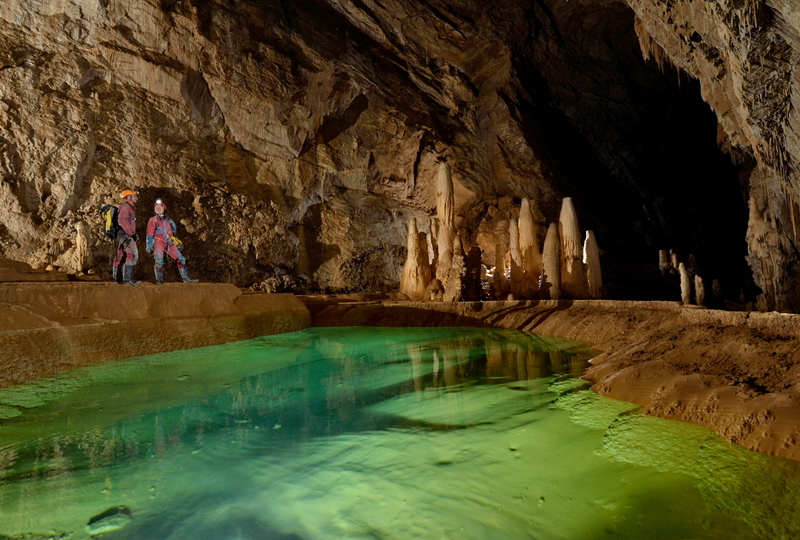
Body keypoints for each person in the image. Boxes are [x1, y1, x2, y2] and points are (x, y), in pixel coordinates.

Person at [145, 199, 199, 284]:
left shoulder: (169, 221)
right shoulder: (153, 220)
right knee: (159, 262)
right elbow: (149, 232)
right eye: (156, 207)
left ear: (164, 208)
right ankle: (159, 281)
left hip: (169, 243)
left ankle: (186, 279)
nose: (158, 208)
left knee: (181, 259)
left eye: (160, 207)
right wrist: (148, 243)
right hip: (158, 242)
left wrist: (177, 242)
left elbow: (174, 233)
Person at [114, 189, 140, 285]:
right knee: (132, 254)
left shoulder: (127, 207)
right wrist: (131, 234)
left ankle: (117, 279)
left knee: (120, 255)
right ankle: (127, 280)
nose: (136, 198)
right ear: (128, 197)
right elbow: (122, 221)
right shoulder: (125, 207)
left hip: (124, 235)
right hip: (127, 236)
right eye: (134, 196)